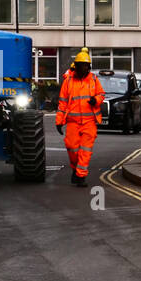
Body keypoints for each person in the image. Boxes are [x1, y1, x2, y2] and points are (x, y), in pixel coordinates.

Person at [55, 48, 105, 187]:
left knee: (85, 150)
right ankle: (75, 169)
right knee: (72, 148)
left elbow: (101, 95)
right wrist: (59, 121)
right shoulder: (68, 81)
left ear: (89, 67)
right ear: (75, 66)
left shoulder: (94, 80)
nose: (84, 68)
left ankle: (80, 176)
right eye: (81, 65)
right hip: (73, 122)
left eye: (86, 65)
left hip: (89, 122)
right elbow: (62, 103)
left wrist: (96, 100)